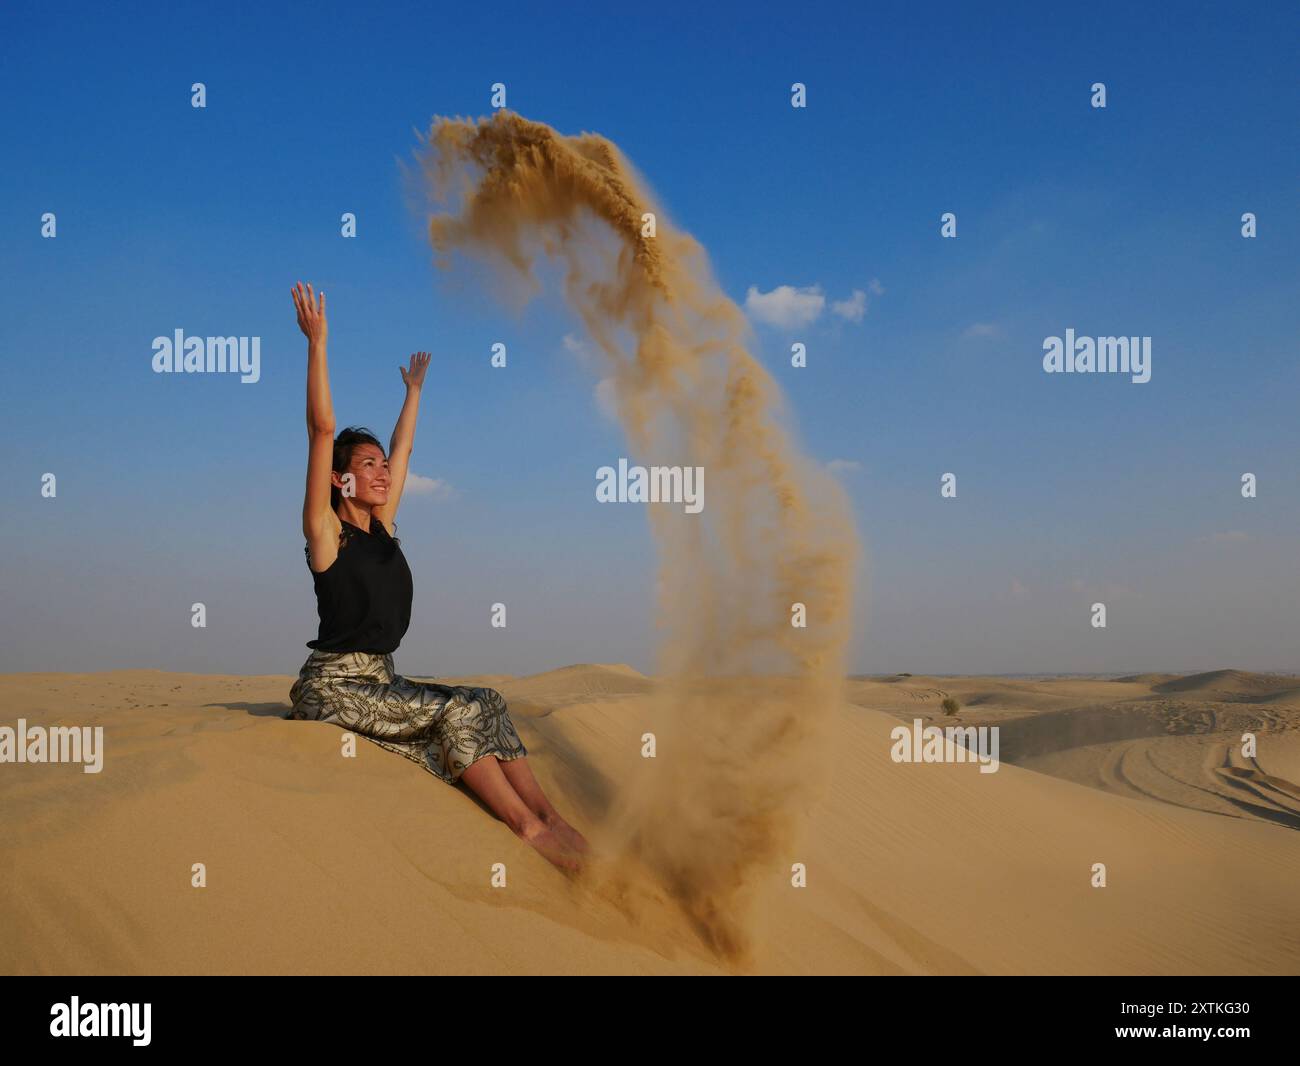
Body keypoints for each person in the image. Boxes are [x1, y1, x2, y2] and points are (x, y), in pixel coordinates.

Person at [284, 281, 589, 872]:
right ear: (339, 481)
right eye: (366, 466)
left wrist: (413, 393)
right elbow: (322, 431)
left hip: (381, 678)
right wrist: (317, 344)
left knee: (487, 700)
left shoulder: (383, 526)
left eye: (381, 466)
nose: (380, 474)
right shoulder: (326, 533)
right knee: (455, 712)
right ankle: (527, 830)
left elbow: (405, 450)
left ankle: (553, 818)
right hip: (334, 689)